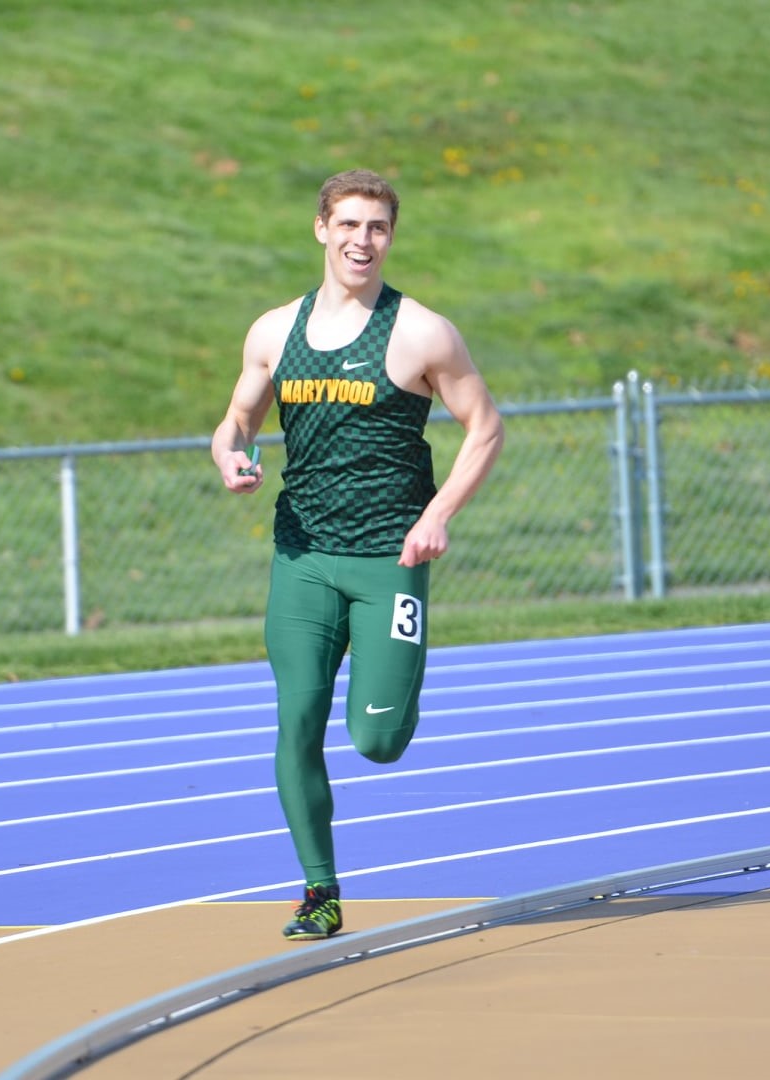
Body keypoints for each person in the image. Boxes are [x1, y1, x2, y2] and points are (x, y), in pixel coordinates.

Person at [211, 169, 505, 941]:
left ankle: (394, 680)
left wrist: (438, 514)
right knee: (296, 719)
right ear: (321, 229)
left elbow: (486, 427)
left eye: (376, 227)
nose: (361, 241)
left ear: (390, 237)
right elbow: (235, 420)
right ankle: (319, 892)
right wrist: (230, 457)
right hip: (303, 558)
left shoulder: (421, 332)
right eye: (348, 225)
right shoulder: (275, 330)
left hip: (389, 561)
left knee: (376, 740)